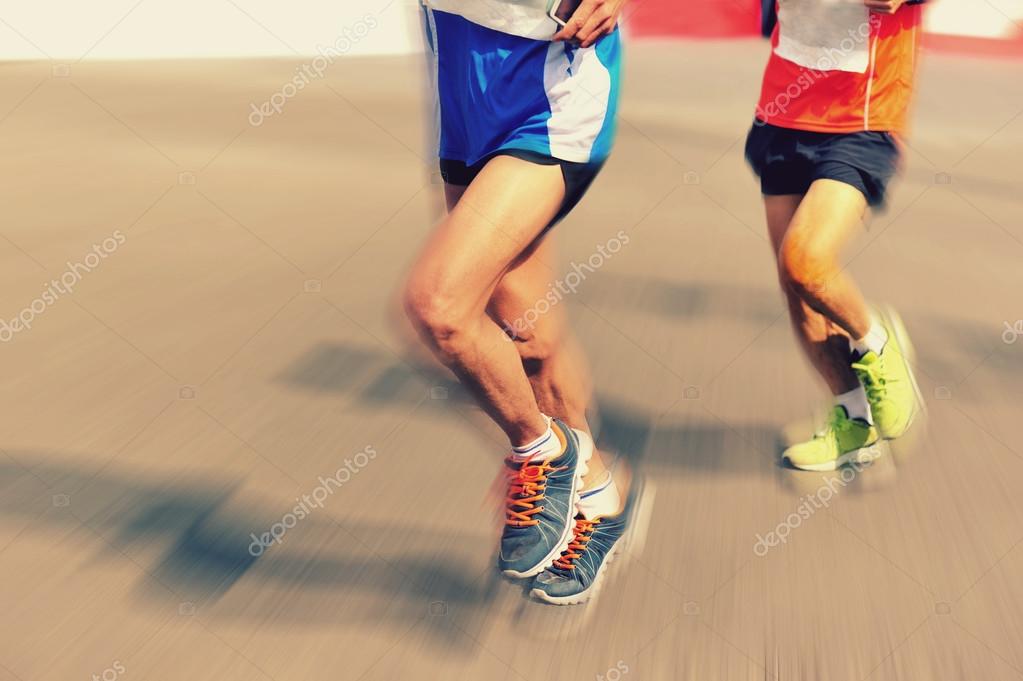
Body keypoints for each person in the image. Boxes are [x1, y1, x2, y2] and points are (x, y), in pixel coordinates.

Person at [406, 0, 643, 604]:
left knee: (441, 304)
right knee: (524, 327)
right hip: (464, 95)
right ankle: (599, 497)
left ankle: (544, 449)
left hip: (552, 95)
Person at [744, 0, 927, 471]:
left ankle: (876, 343)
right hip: (782, 115)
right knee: (798, 292)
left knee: (805, 260)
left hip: (861, 123)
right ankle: (854, 418)